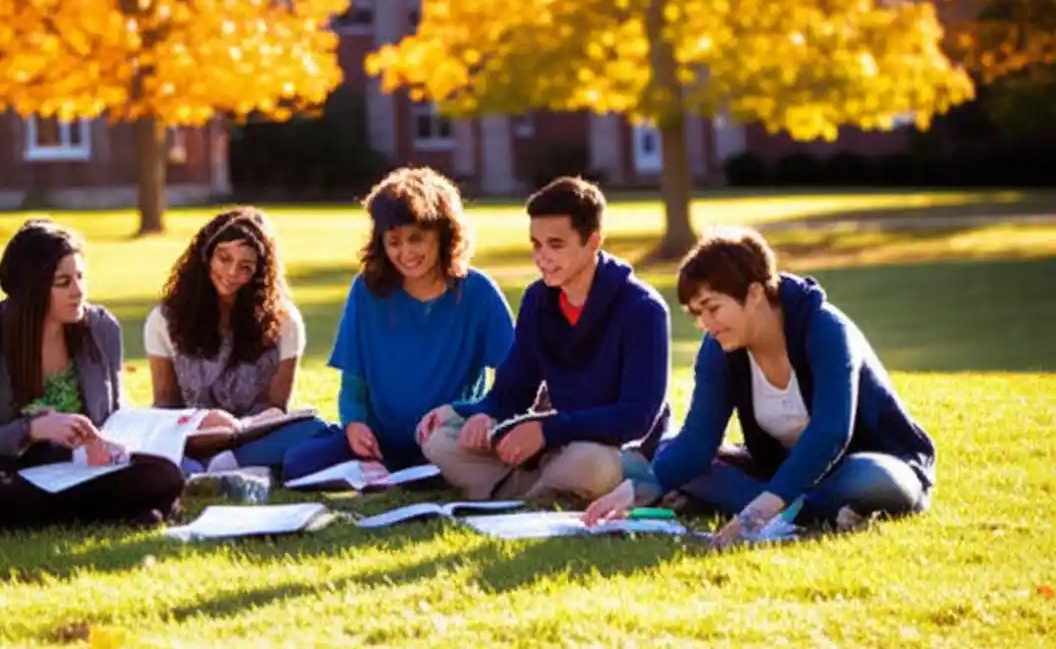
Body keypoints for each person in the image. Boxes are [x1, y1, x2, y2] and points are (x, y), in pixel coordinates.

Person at [583, 227, 936, 546]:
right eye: (697, 314)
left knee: (870, 480)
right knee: (669, 453)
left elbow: (831, 431)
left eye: (712, 308)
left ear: (754, 294)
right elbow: (697, 440)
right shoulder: (719, 349)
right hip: (780, 472)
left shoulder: (825, 329)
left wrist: (756, 512)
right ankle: (807, 510)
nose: (706, 324)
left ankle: (785, 504)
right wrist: (634, 489)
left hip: (860, 463)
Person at [417, 176, 671, 503]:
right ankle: (541, 491)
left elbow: (635, 418)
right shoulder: (538, 300)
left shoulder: (643, 310)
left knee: (589, 464)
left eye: (556, 245)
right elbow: (512, 391)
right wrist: (478, 414)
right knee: (438, 436)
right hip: (555, 443)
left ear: (593, 241)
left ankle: (520, 491)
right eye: (536, 245)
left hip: (614, 451)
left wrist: (545, 431)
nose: (542, 257)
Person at [0, 219, 184, 531]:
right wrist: (33, 429)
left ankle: (32, 517)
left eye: (81, 277)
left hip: (81, 469)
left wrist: (110, 441)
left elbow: (115, 414)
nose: (79, 292)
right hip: (14, 472)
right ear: (32, 287)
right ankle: (92, 513)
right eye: (63, 282)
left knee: (164, 474)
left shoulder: (101, 329)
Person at [282, 167, 515, 480]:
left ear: (444, 234)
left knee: (452, 461)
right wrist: (354, 425)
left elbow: (513, 372)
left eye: (416, 239)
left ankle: (417, 472)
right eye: (394, 242)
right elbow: (354, 379)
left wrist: (480, 413)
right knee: (298, 463)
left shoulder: (477, 292)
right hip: (381, 440)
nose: (405, 252)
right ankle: (376, 469)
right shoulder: (366, 290)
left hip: (447, 436)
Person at [145, 207, 328, 469]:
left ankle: (222, 464)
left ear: (259, 273)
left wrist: (239, 428)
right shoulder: (165, 320)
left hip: (252, 437)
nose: (232, 273)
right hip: (195, 437)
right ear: (206, 257)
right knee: (156, 448)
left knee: (315, 428)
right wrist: (205, 430)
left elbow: (277, 408)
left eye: (245, 266)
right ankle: (208, 464)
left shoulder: (285, 322)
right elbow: (165, 406)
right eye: (224, 258)